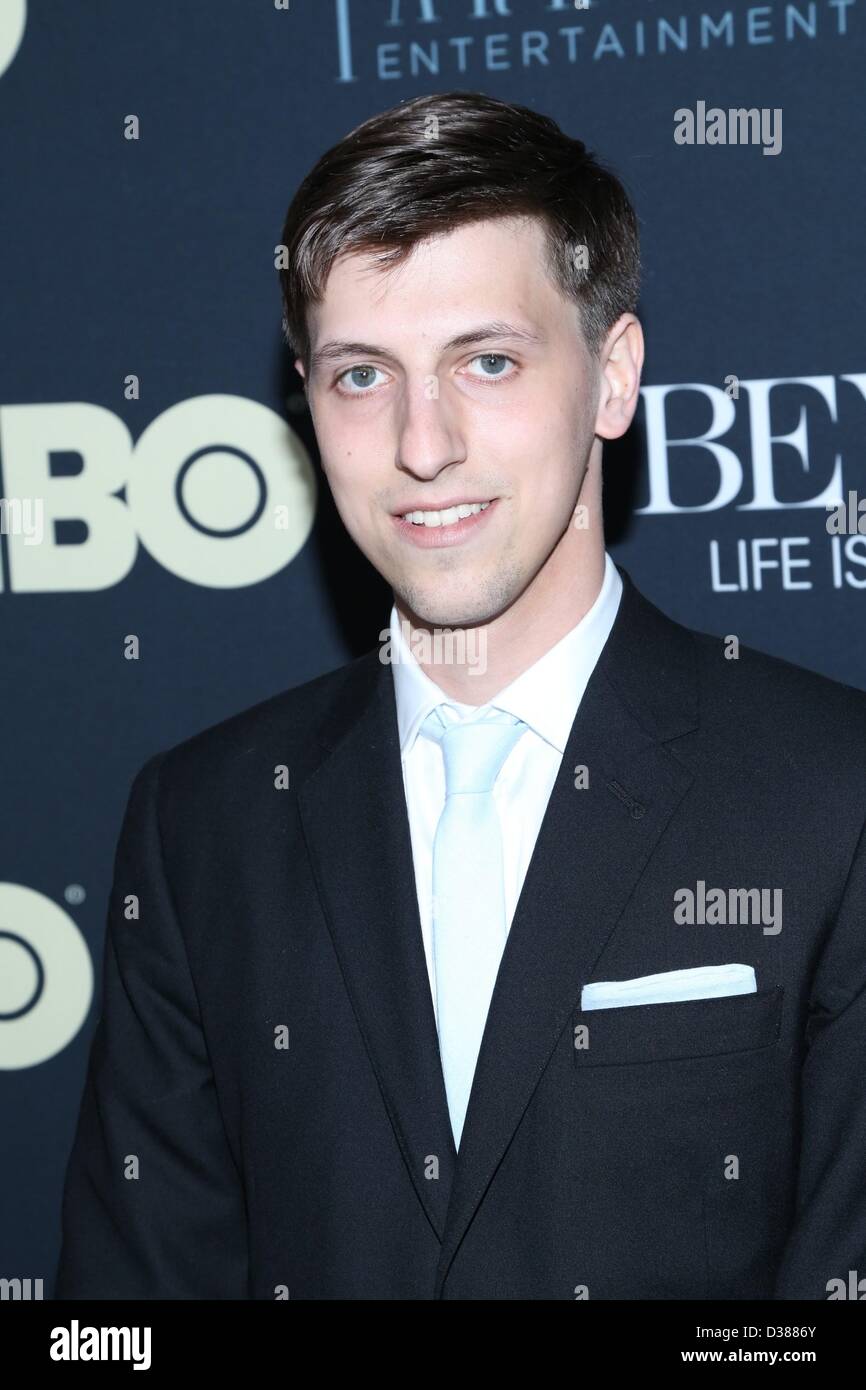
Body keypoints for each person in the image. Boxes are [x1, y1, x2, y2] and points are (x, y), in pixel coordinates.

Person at [55, 90, 866, 1300]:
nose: (420, 444)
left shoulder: (831, 792)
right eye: (360, 376)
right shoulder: (199, 822)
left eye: (485, 362)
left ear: (611, 376)